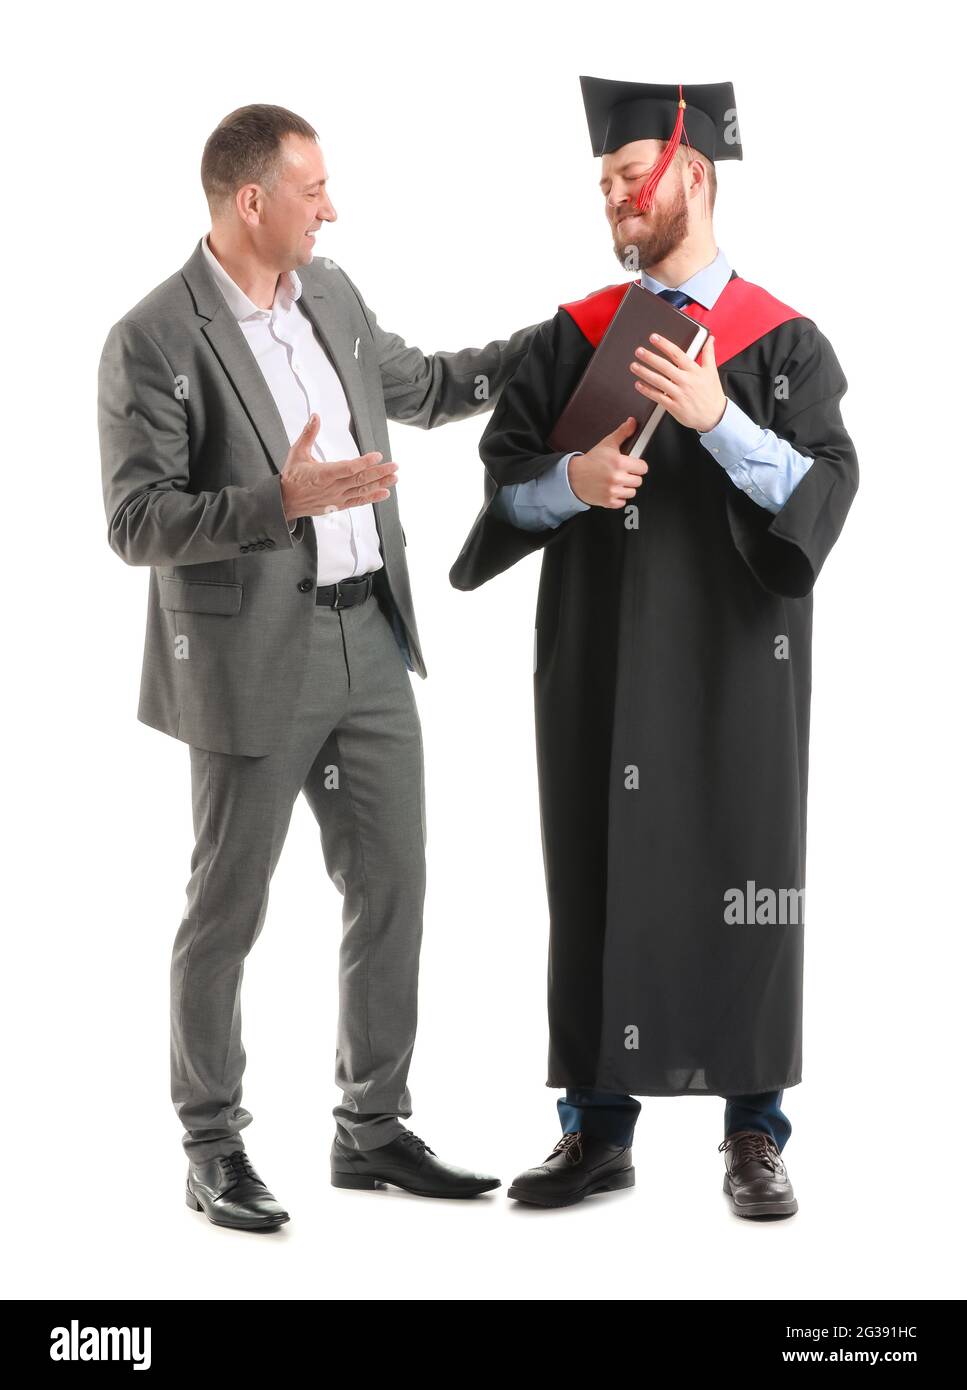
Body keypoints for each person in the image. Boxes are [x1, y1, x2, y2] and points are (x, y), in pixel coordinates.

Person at [98, 103, 537, 1230]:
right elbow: (136, 521)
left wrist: (557, 346)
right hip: (249, 662)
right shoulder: (154, 336)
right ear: (253, 201)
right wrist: (276, 502)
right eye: (313, 190)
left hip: (369, 640)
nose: (330, 207)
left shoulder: (329, 295)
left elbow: (429, 387)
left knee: (392, 884)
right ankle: (211, 1144)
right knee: (226, 909)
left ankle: (372, 1128)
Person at [450, 77, 859, 1216]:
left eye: (629, 177)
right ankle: (595, 1129)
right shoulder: (574, 336)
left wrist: (715, 419)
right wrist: (568, 483)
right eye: (602, 184)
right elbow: (505, 487)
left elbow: (829, 485)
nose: (615, 198)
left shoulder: (781, 343)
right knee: (598, 864)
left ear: (692, 172)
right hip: (601, 663)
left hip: (737, 665)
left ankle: (753, 1132)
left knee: (746, 870)